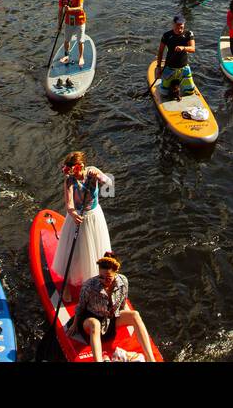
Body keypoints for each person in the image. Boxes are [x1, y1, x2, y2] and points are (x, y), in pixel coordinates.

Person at [75, 252, 158, 362]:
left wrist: (127, 318)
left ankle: (150, 358)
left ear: (116, 273)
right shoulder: (89, 286)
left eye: (108, 278)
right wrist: (74, 324)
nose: (104, 281)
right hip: (91, 320)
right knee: (95, 324)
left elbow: (122, 304)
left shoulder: (123, 281)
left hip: (111, 319)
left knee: (135, 315)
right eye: (101, 277)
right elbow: (80, 307)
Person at [53, 152, 113, 303]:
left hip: (94, 217)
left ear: (83, 166)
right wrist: (73, 214)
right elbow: (69, 205)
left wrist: (99, 177)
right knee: (72, 254)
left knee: (98, 251)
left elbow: (109, 183)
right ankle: (66, 285)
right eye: (72, 170)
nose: (76, 173)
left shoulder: (92, 171)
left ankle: (97, 282)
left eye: (77, 169)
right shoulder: (69, 180)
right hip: (77, 218)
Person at [155, 14, 197, 101]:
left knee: (190, 92)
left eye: (181, 27)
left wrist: (183, 48)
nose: (179, 29)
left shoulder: (188, 34)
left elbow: (193, 49)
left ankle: (179, 84)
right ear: (173, 24)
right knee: (164, 94)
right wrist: (158, 67)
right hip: (169, 68)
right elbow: (160, 52)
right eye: (177, 26)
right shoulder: (166, 35)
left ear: (184, 25)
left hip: (184, 68)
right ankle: (169, 84)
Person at [57, 0, 87, 66]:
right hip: (69, 21)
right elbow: (60, 12)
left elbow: (81, 8)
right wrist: (59, 25)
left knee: (80, 41)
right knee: (66, 40)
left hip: (80, 20)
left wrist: (70, 9)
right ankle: (67, 56)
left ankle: (81, 57)